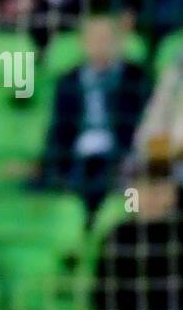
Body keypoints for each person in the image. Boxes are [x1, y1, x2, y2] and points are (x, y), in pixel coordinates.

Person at [34, 15, 152, 214]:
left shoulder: (138, 78)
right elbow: (59, 128)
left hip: (118, 159)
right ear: (83, 42)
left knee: (117, 189)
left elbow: (143, 127)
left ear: (121, 41)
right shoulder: (68, 80)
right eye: (94, 39)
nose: (100, 45)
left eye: (107, 38)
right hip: (75, 159)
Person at [93, 156, 183, 310]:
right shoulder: (117, 236)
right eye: (142, 188)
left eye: (159, 188)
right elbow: (104, 291)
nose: (151, 196)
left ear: (173, 193)